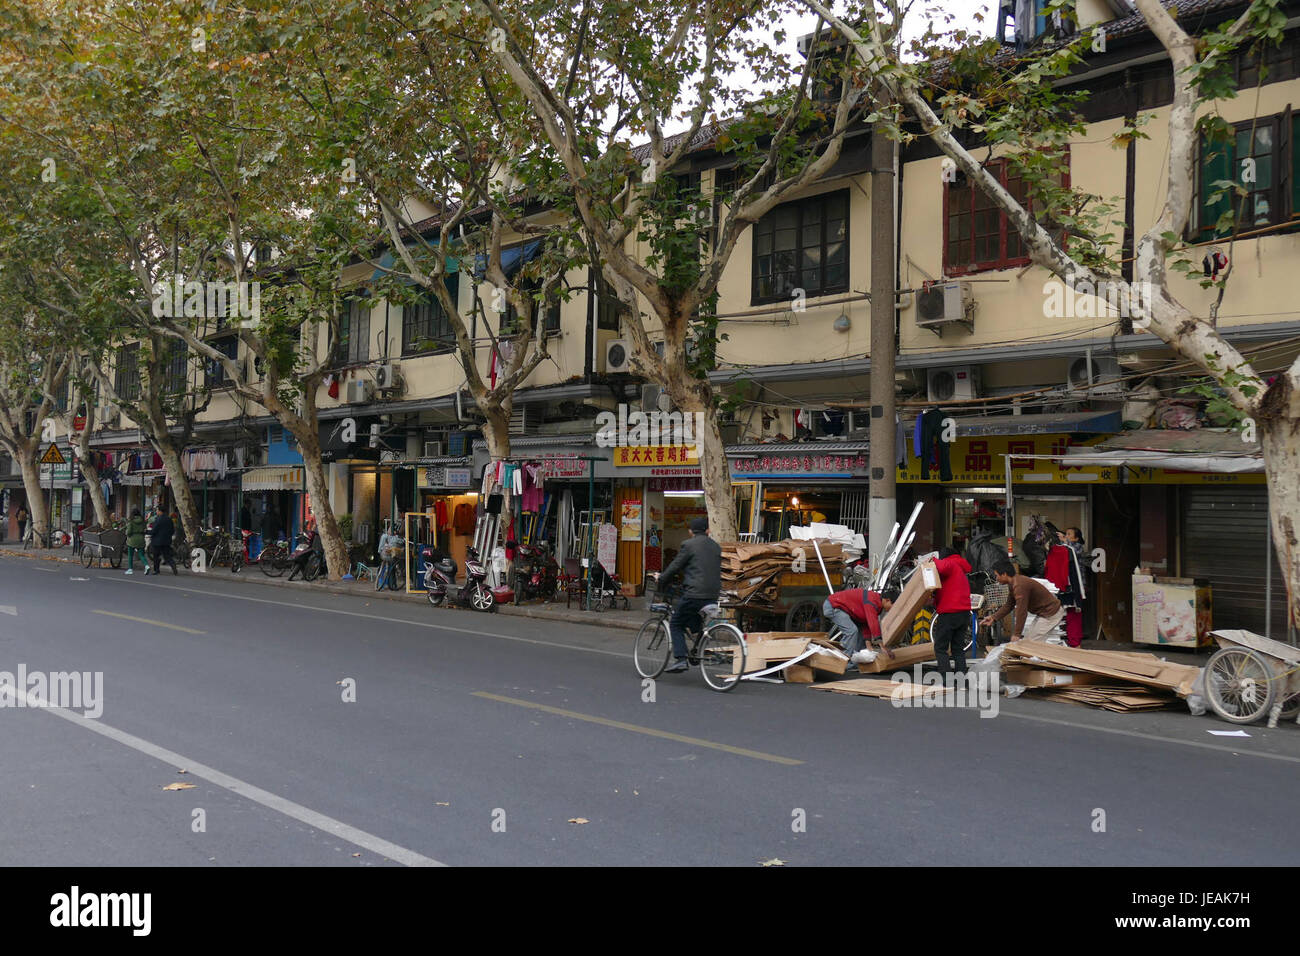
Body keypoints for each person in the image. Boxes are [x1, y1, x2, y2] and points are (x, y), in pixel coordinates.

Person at [656, 515, 722, 673]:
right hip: (713, 593)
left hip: (695, 593)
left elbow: (675, 566)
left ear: (690, 531)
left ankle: (681, 659)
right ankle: (697, 644)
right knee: (693, 617)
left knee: (676, 623)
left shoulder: (688, 545)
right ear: (707, 530)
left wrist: (662, 578)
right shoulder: (716, 546)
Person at [980, 557, 1064, 642]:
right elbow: (1009, 605)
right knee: (1028, 642)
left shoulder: (1019, 586)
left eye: (997, 575)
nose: (996, 578)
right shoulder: (1014, 582)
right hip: (1045, 613)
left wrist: (1017, 634)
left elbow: (1021, 611)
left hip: (1051, 614)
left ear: (1004, 574)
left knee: (1031, 644)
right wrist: (994, 617)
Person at [822, 587, 897, 663]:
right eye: (893, 606)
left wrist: (868, 645)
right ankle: (841, 661)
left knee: (861, 636)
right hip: (833, 606)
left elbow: (866, 623)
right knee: (851, 631)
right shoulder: (872, 601)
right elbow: (873, 623)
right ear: (887, 600)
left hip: (843, 609)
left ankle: (855, 662)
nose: (892, 609)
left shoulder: (878, 605)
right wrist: (883, 646)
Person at [932, 546, 973, 675]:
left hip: (949, 612)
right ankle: (961, 681)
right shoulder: (959, 569)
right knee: (958, 648)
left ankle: (947, 679)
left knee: (940, 648)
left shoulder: (951, 564)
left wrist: (931, 560)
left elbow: (942, 566)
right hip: (964, 612)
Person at [149, 507, 179, 575]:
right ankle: (173, 566)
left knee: (156, 556)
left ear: (160, 511)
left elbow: (154, 530)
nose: (156, 512)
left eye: (157, 510)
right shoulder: (169, 519)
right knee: (167, 556)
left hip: (157, 541)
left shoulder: (158, 519)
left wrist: (147, 532)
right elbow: (172, 530)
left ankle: (156, 570)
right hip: (166, 541)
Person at [124, 508, 147, 575]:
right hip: (141, 538)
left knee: (130, 555)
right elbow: (144, 529)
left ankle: (130, 569)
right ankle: (146, 565)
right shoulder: (142, 521)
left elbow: (128, 531)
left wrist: (127, 533)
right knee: (141, 555)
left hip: (132, 540)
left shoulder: (131, 521)